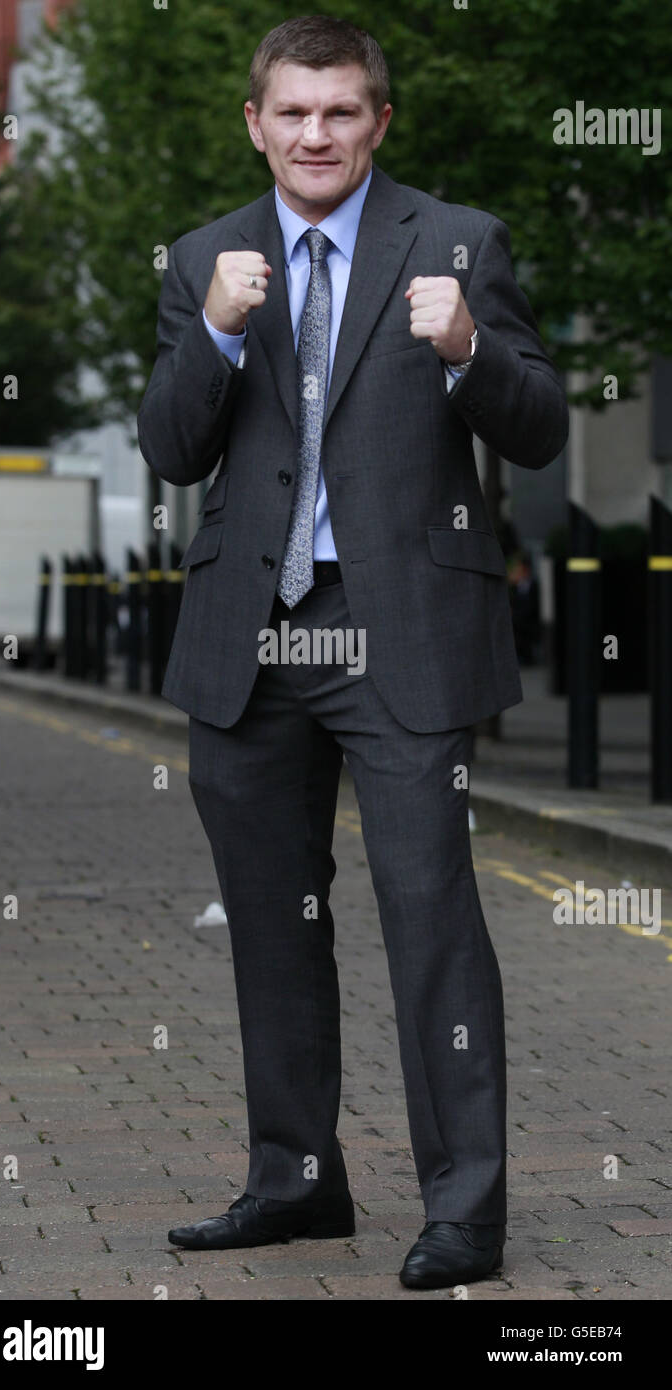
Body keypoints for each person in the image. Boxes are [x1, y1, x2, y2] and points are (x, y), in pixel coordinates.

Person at [137, 14, 568, 1290]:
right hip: (251, 635)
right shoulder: (206, 257)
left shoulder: (457, 243)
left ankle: (463, 1212)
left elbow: (541, 426)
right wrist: (212, 334)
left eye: (340, 112)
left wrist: (467, 352)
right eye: (292, 113)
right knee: (274, 923)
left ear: (378, 120)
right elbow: (170, 448)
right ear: (255, 123)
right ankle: (294, 1182)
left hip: (402, 637)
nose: (314, 134)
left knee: (430, 915)